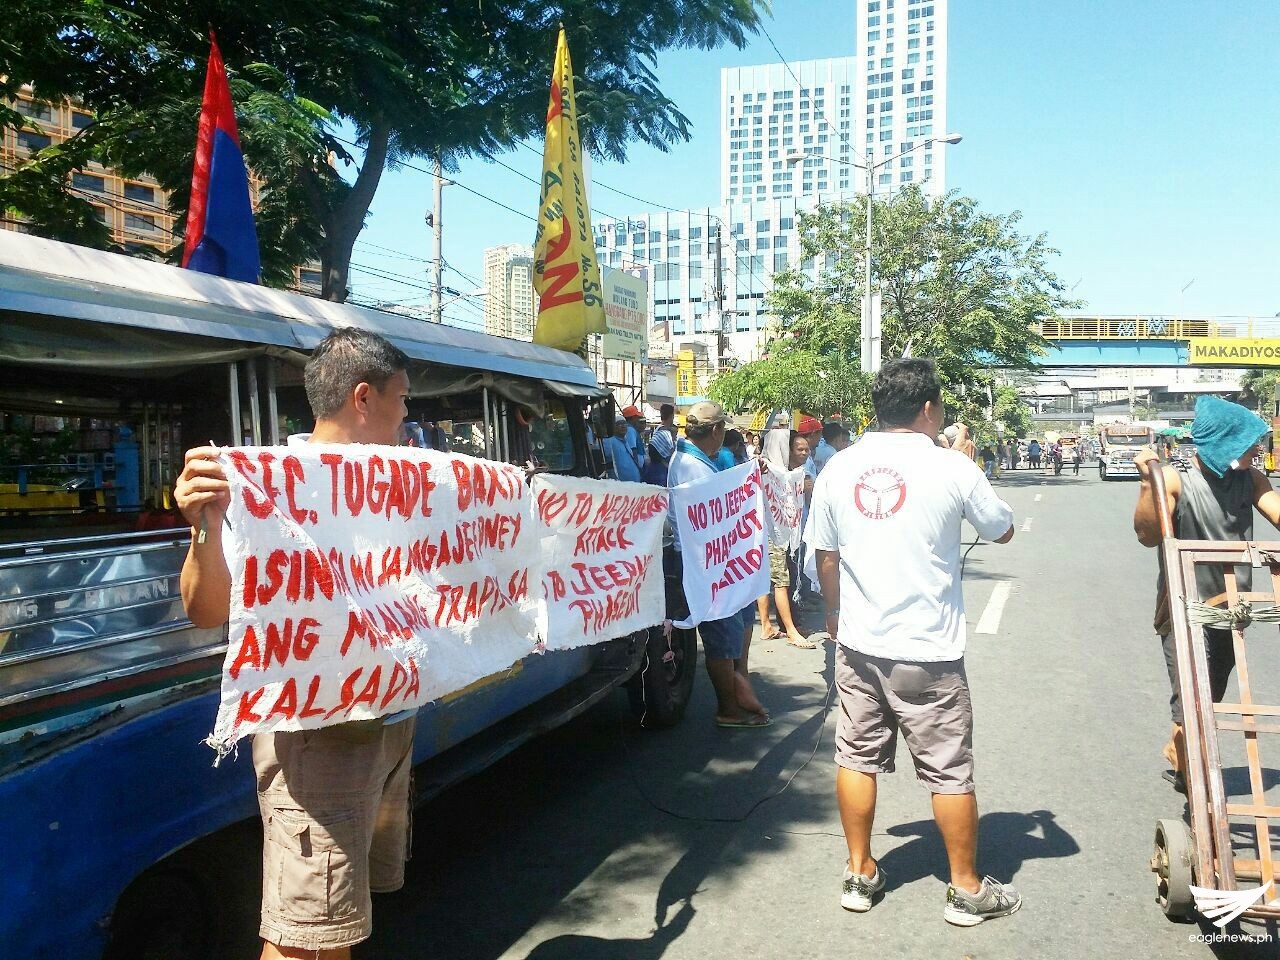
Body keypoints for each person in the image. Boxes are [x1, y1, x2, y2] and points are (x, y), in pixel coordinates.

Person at [176, 328, 417, 960]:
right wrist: (204, 528)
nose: (406, 415)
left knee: (340, 918)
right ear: (363, 398)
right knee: (306, 935)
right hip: (319, 742)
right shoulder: (265, 491)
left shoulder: (404, 482)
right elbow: (205, 612)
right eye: (402, 399)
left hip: (390, 723)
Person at [808, 358, 1020, 925]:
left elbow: (825, 557)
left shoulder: (838, 468)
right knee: (949, 770)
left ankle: (859, 872)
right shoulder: (952, 467)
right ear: (928, 408)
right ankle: (966, 889)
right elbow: (1001, 528)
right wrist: (968, 465)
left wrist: (834, 614)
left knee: (856, 758)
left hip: (859, 645)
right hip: (928, 652)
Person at [1133, 396, 1280, 793]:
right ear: (1223, 441)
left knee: (1211, 691)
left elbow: (1276, 510)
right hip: (1183, 605)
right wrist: (1148, 483)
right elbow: (1147, 535)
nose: (1257, 449)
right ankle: (1196, 781)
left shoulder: (1251, 479)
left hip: (1231, 606)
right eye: (1249, 442)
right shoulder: (1175, 479)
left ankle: (1179, 750)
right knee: (1191, 694)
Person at [668, 401, 769, 728]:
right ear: (715, 430)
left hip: (715, 557)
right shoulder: (692, 467)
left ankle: (737, 687)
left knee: (733, 622)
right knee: (721, 633)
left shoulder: (697, 460)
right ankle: (728, 708)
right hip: (706, 561)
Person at [758, 430, 819, 649]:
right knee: (781, 581)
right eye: (798, 449)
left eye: (807, 449)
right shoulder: (763, 469)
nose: (804, 453)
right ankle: (790, 631)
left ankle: (768, 625)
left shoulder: (791, 473)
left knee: (773, 580)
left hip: (783, 534)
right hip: (771, 533)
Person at [604, 415, 642, 482]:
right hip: (620, 485)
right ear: (614, 427)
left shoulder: (626, 441)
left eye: (624, 423)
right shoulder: (609, 442)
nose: (623, 426)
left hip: (634, 483)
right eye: (619, 424)